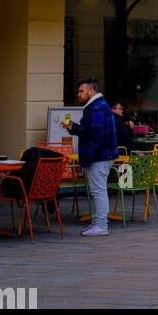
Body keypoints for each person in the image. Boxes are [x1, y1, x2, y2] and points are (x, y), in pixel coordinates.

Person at [64, 78, 118, 237]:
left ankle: (101, 225)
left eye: (81, 91)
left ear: (91, 91)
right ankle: (99, 223)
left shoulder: (96, 108)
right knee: (98, 190)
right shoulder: (96, 107)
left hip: (99, 156)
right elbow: (90, 132)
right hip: (101, 155)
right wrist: (73, 127)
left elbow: (95, 136)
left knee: (98, 190)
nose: (78, 94)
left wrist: (86, 159)